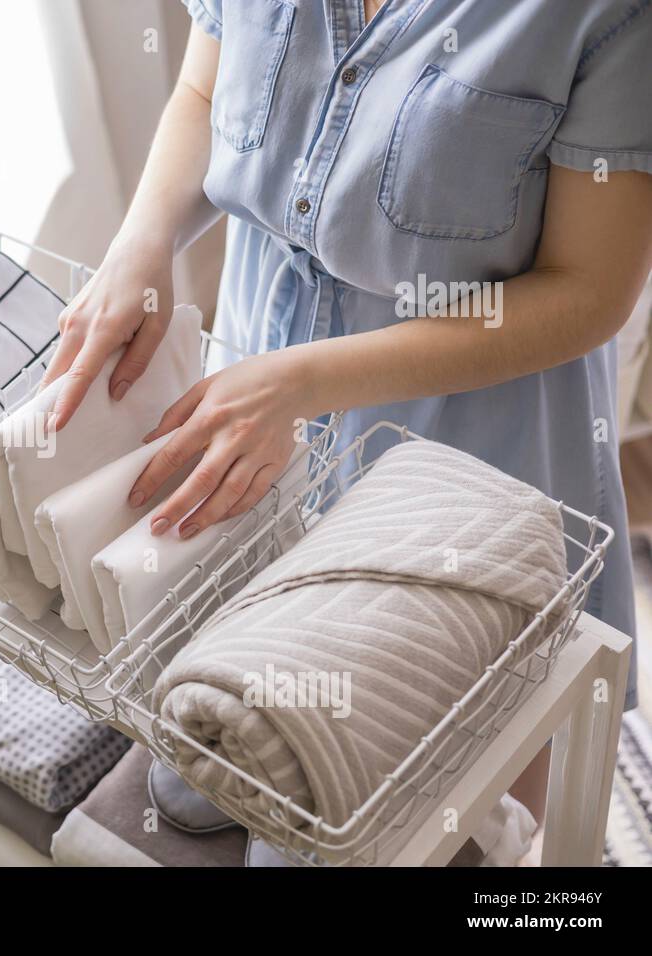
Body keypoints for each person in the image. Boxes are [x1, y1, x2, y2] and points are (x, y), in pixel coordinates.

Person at [40, 0, 652, 826]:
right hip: (259, 406)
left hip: (467, 462)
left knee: (462, 812)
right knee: (271, 738)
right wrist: (141, 243)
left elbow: (590, 291)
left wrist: (300, 384)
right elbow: (200, 90)